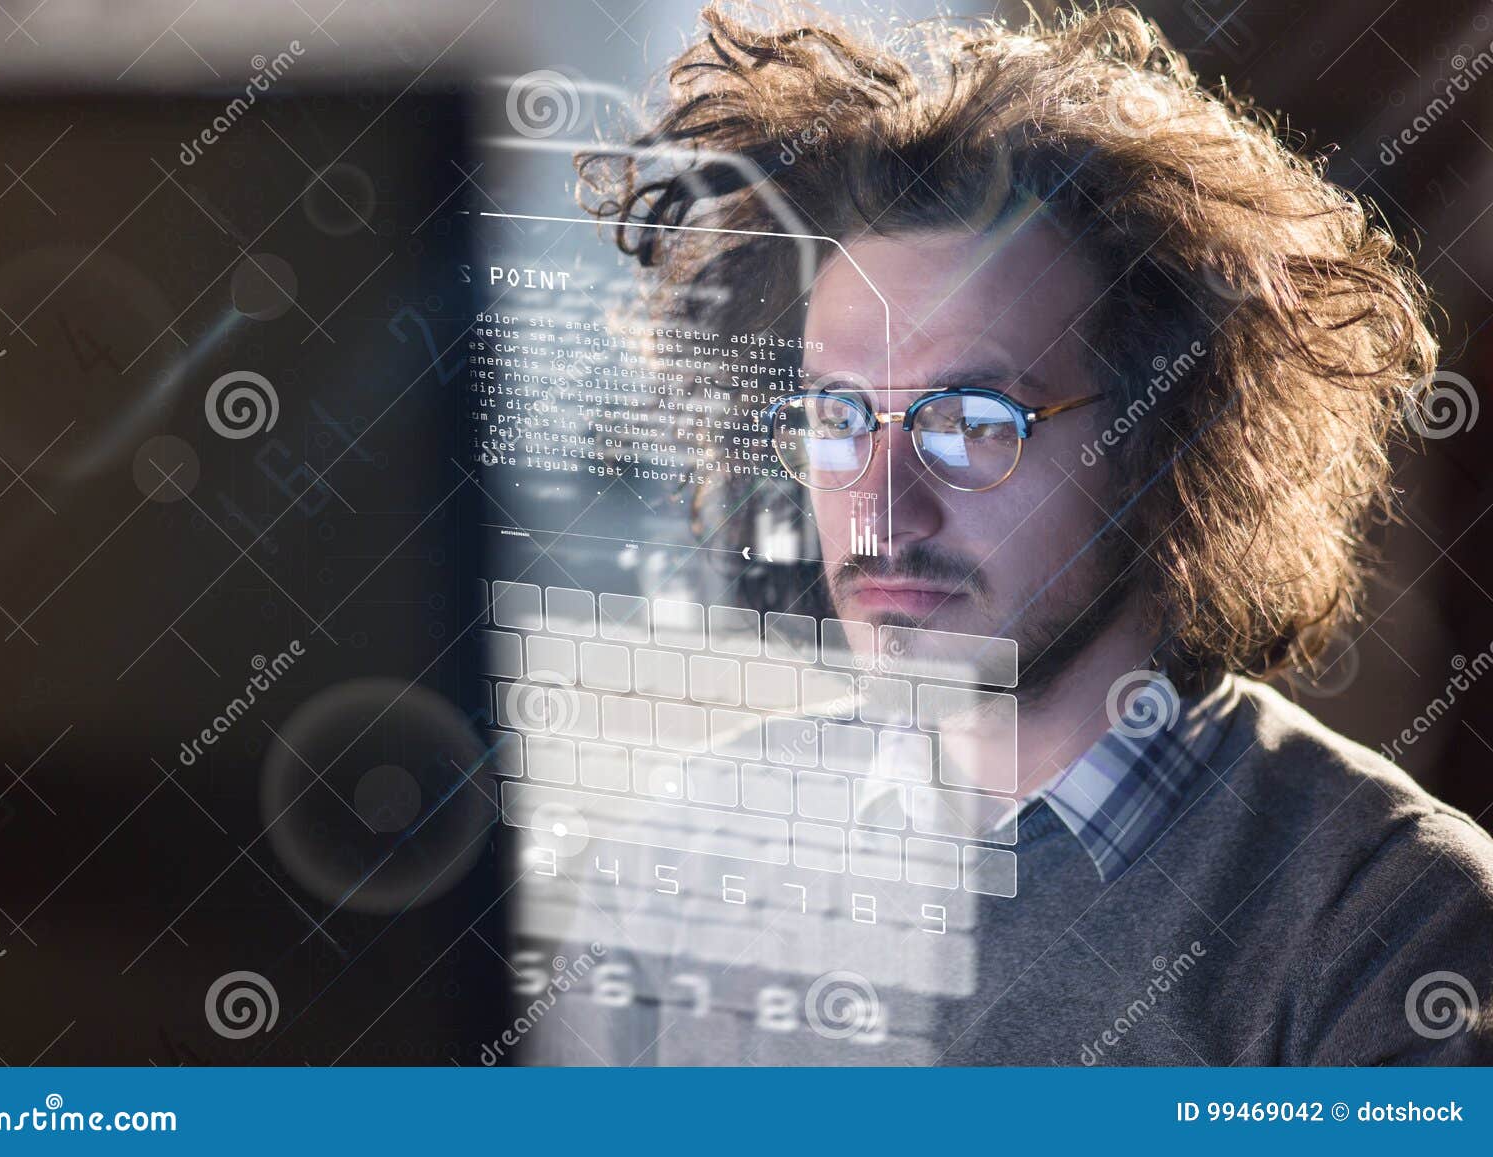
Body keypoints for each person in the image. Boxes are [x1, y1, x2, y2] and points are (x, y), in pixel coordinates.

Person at [556, 2, 1493, 1064]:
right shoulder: (683, 856)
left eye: (969, 421)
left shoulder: (1386, 928)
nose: (878, 506)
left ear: (1168, 440)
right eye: (836, 417)